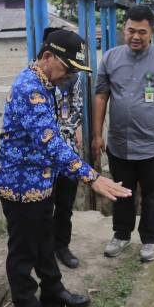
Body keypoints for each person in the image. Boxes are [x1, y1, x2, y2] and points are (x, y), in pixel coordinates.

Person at [0, 28, 131, 307]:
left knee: (45, 240)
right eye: (67, 68)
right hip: (20, 186)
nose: (68, 76)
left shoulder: (46, 83)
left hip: (41, 182)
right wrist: (92, 177)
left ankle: (53, 292)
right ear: (47, 57)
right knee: (23, 252)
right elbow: (51, 144)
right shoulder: (31, 89)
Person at [92, 4, 154, 263]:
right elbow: (101, 96)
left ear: (151, 33)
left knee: (152, 194)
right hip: (119, 143)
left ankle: (149, 240)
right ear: (124, 29)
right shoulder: (111, 57)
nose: (135, 36)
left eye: (142, 32)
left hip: (153, 143)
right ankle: (121, 235)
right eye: (131, 31)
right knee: (121, 192)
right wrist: (97, 134)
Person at [52, 69, 84, 269]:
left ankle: (62, 246)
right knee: (43, 206)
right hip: (43, 153)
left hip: (68, 148)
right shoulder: (34, 78)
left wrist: (72, 129)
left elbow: (77, 106)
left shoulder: (74, 76)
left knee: (65, 204)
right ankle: (43, 247)